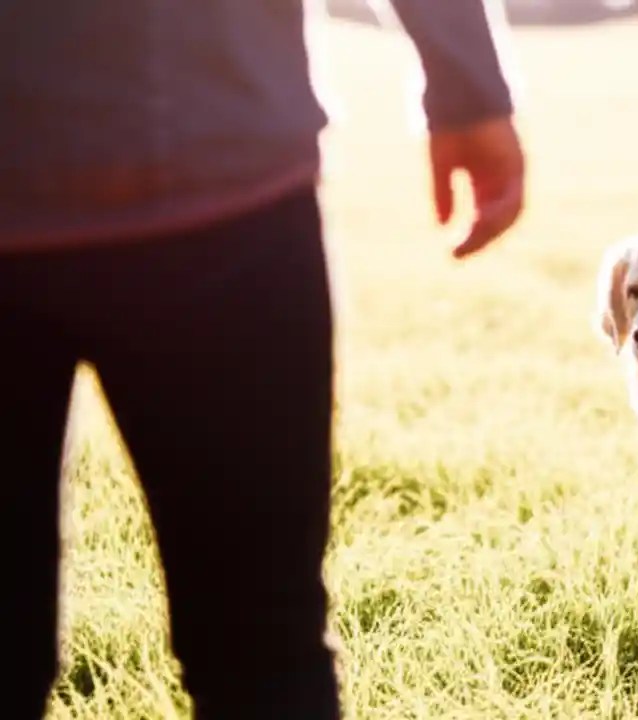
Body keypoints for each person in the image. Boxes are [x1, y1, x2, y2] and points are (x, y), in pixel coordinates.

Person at [0, 0, 525, 717]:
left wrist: (466, 84)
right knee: (261, 657)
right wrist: (465, 83)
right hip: (220, 167)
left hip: (219, 178)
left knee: (261, 652)